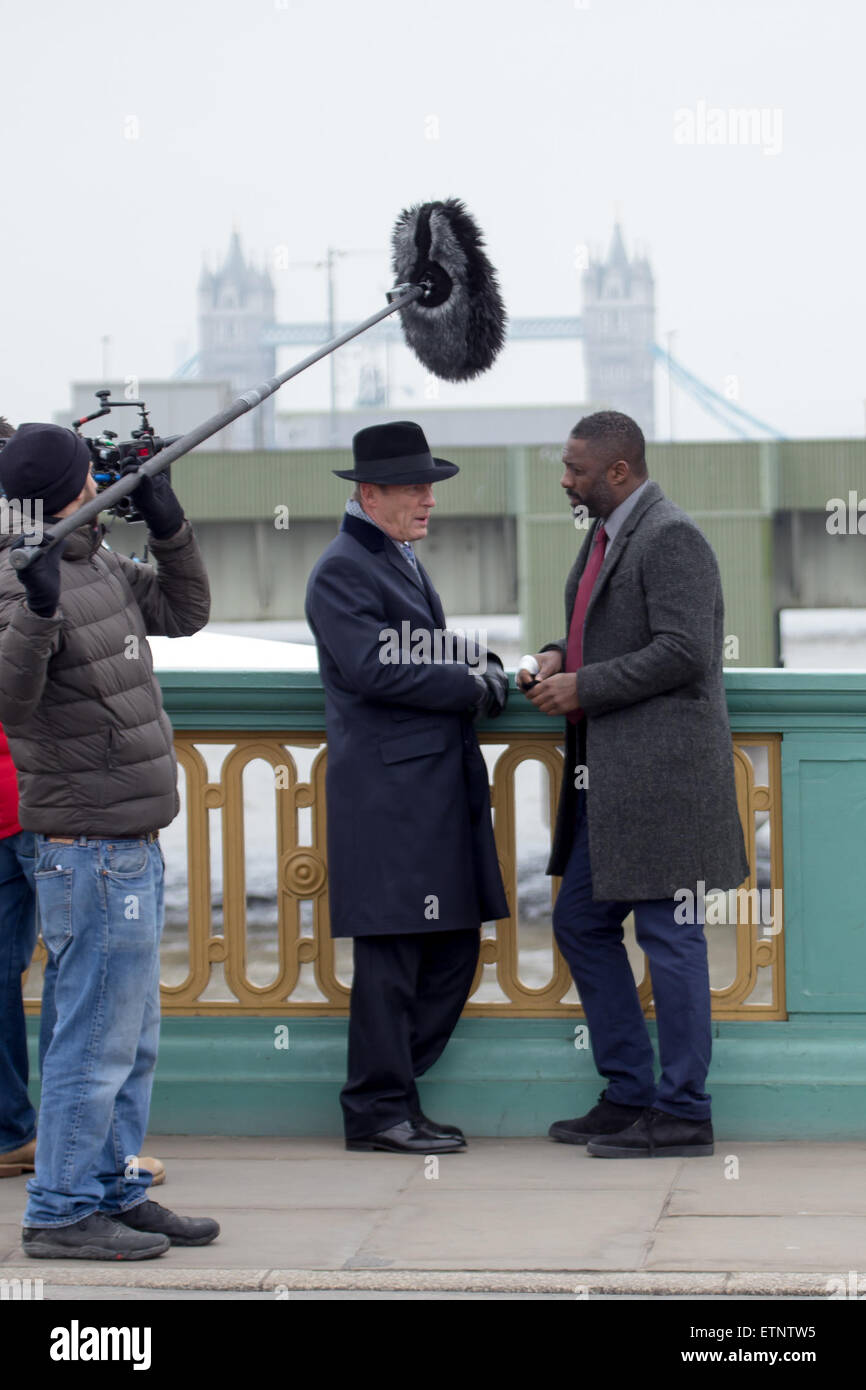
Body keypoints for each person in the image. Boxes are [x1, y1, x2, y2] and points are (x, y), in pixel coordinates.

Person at [0, 422, 213, 1257]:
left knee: (130, 1035)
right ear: (73, 487)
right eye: (92, 478)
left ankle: (113, 1185)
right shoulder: (23, 576)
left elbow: (187, 612)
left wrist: (169, 523)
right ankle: (58, 1210)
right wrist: (40, 608)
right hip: (85, 844)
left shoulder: (94, 558)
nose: (101, 486)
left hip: (129, 836)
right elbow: (12, 702)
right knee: (92, 1037)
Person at [519, 410, 748, 1158]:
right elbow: (604, 624)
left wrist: (586, 686)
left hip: (662, 777)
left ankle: (684, 1113)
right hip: (612, 782)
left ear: (619, 471)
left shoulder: (671, 534)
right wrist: (560, 655)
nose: (565, 478)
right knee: (581, 922)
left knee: (669, 938)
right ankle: (629, 1095)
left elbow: (686, 650)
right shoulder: (608, 529)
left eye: (576, 468)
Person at [305, 421, 509, 1154]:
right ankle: (377, 1109)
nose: (428, 498)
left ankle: (395, 1094)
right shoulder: (342, 568)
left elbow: (411, 642)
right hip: (390, 797)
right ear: (371, 493)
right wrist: (471, 685)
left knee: (452, 948)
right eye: (415, 486)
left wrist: (483, 660)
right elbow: (373, 667)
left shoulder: (392, 555)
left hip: (427, 791)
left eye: (430, 485)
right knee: (393, 959)